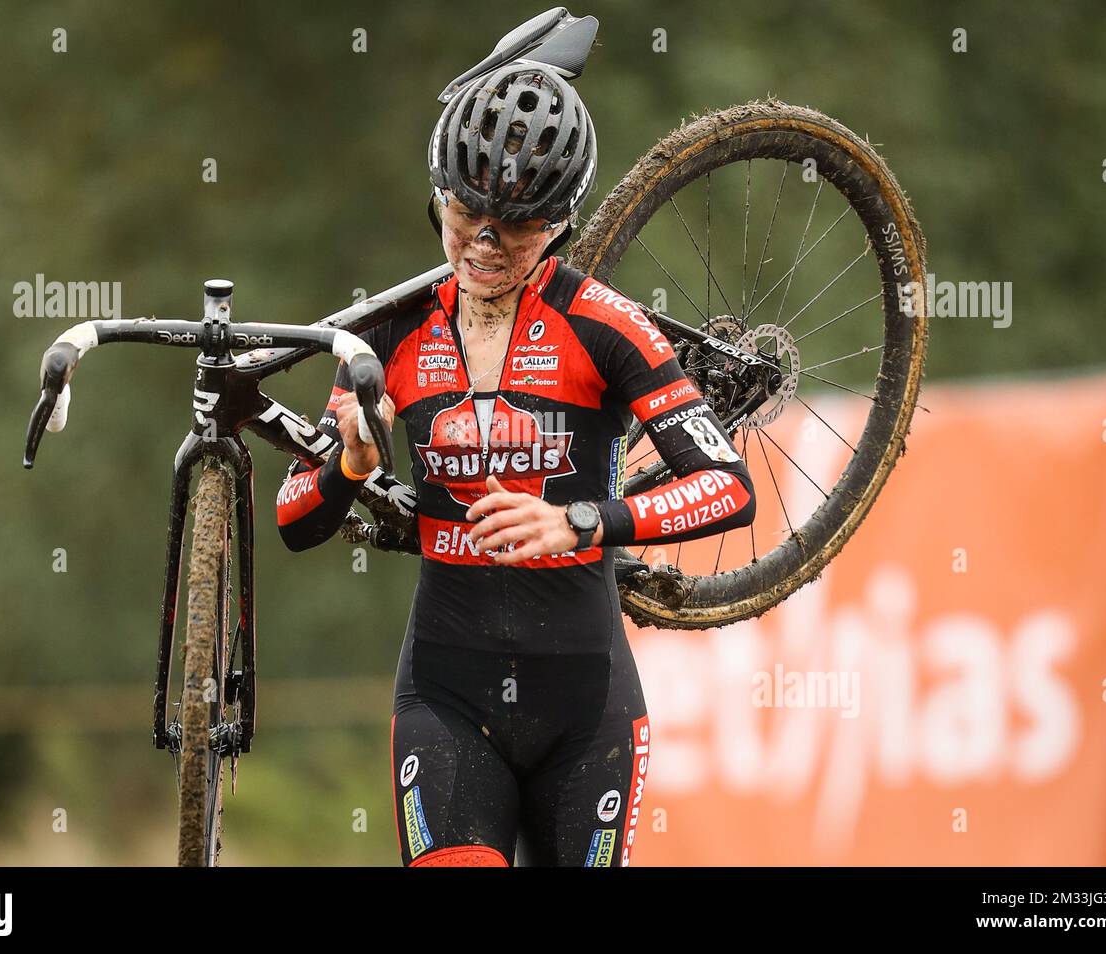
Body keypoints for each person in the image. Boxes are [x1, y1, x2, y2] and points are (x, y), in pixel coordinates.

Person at [276, 62, 756, 866]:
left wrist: (581, 522)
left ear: (562, 222)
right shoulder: (390, 338)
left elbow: (727, 487)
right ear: (437, 195)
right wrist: (350, 466)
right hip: (446, 698)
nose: (487, 245)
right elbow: (295, 520)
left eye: (520, 223)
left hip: (587, 711)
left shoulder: (606, 327)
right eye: (467, 214)